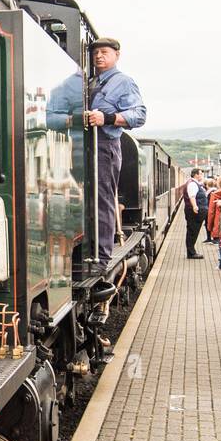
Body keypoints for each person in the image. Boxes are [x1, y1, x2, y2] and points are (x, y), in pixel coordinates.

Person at [82, 38, 146, 269]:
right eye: (95, 52)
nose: (99, 56)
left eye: (104, 52)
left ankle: (102, 256)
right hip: (84, 146)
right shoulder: (88, 82)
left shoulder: (124, 82)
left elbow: (139, 115)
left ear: (116, 55)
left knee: (102, 199)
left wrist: (107, 118)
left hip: (105, 145)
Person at [183, 168, 207, 258]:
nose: (202, 175)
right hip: (194, 212)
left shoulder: (193, 183)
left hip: (194, 211)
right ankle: (191, 253)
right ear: (196, 175)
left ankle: (191, 251)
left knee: (193, 231)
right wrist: (195, 206)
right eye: (201, 174)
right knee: (192, 231)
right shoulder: (192, 184)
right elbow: (192, 196)